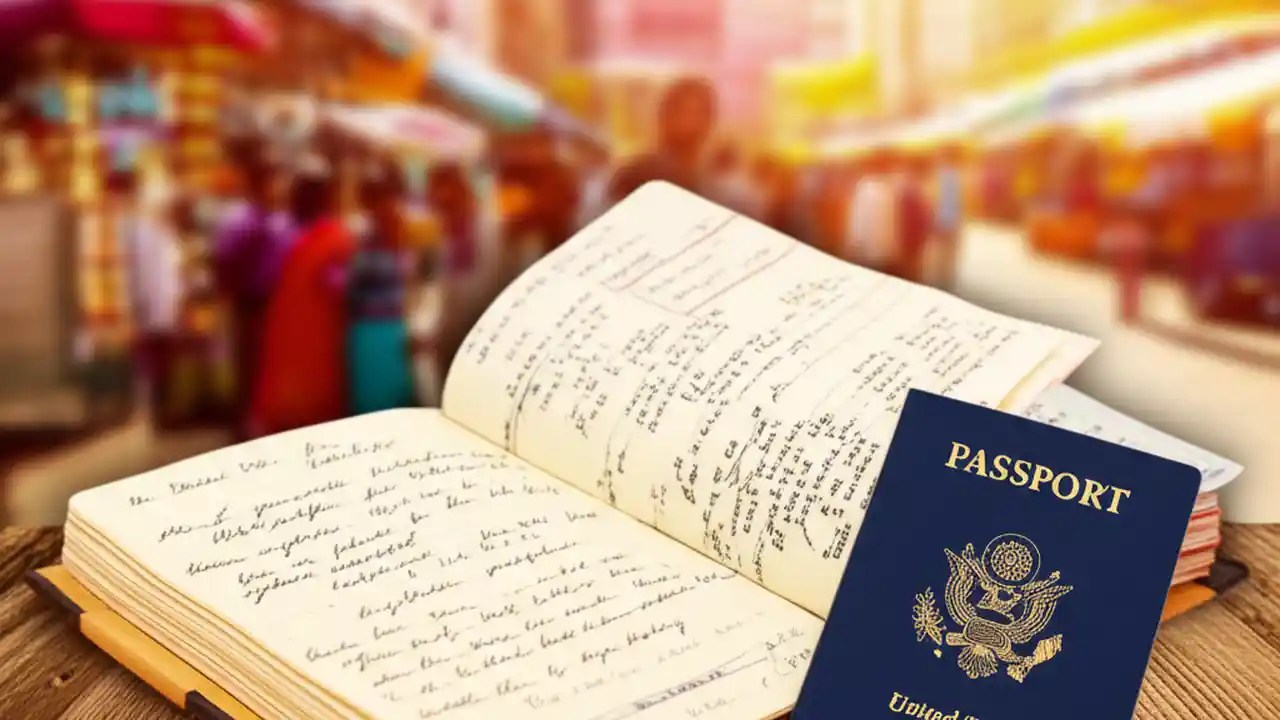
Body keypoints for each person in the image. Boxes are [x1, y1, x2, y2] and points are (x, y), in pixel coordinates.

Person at [250, 158, 355, 435]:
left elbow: (263, 283)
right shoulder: (335, 237)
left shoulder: (282, 234)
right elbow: (342, 289)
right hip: (311, 339)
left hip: (293, 338)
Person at [212, 149, 296, 437]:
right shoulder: (241, 221)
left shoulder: (280, 220)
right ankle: (246, 432)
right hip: (251, 305)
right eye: (274, 180)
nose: (279, 187)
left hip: (280, 307)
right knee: (251, 368)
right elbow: (223, 262)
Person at [347, 167, 416, 414]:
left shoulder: (402, 231)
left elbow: (410, 283)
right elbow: (351, 282)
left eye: (391, 196)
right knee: (371, 403)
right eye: (379, 198)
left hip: (395, 328)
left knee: (395, 402)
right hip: (368, 329)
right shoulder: (358, 233)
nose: (388, 204)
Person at [609, 77, 718, 202]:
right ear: (664, 116)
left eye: (699, 114)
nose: (690, 123)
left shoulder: (715, 189)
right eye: (683, 112)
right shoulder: (634, 174)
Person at [846, 150, 899, 273]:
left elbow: (857, 222)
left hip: (871, 251)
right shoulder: (884, 189)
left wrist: (854, 243)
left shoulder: (867, 187)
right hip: (879, 251)